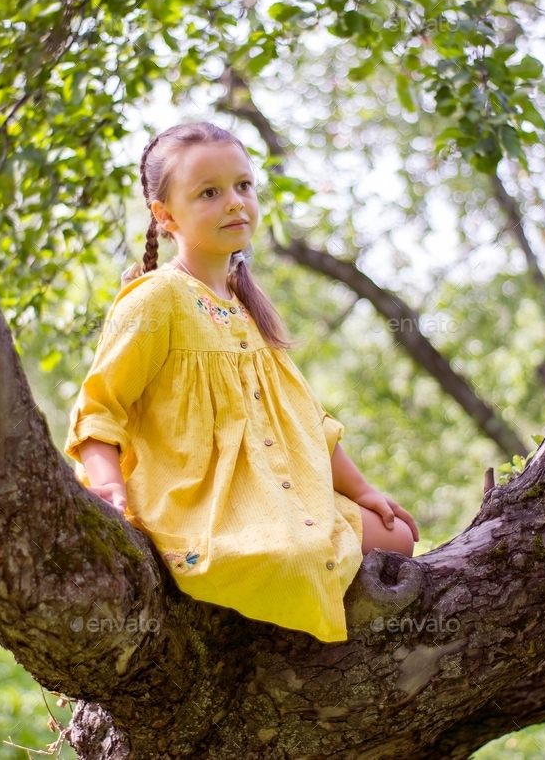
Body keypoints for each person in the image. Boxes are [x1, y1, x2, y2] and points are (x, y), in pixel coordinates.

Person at [65, 121, 419, 644]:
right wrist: (109, 489)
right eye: (209, 192)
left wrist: (364, 490)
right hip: (205, 505)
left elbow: (307, 423)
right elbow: (99, 409)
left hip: (281, 494)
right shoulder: (156, 299)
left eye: (243, 186)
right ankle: (254, 629)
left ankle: (278, 599)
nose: (234, 202)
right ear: (165, 216)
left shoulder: (246, 307)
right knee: (294, 560)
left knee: (398, 535)